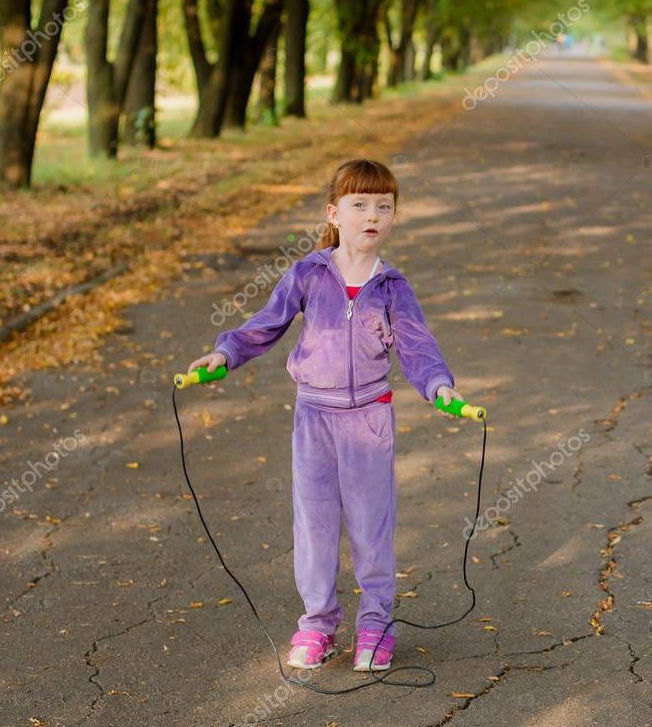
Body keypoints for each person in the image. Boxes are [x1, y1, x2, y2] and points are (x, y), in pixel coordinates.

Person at [185, 158, 463, 672]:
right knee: (314, 526)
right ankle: (318, 624)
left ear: (395, 216)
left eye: (383, 206)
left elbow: (419, 350)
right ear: (335, 212)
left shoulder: (393, 287)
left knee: (370, 527)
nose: (371, 215)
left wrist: (439, 386)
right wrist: (224, 355)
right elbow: (264, 326)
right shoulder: (308, 273)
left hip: (369, 422)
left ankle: (375, 625)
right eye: (359, 205)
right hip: (314, 419)